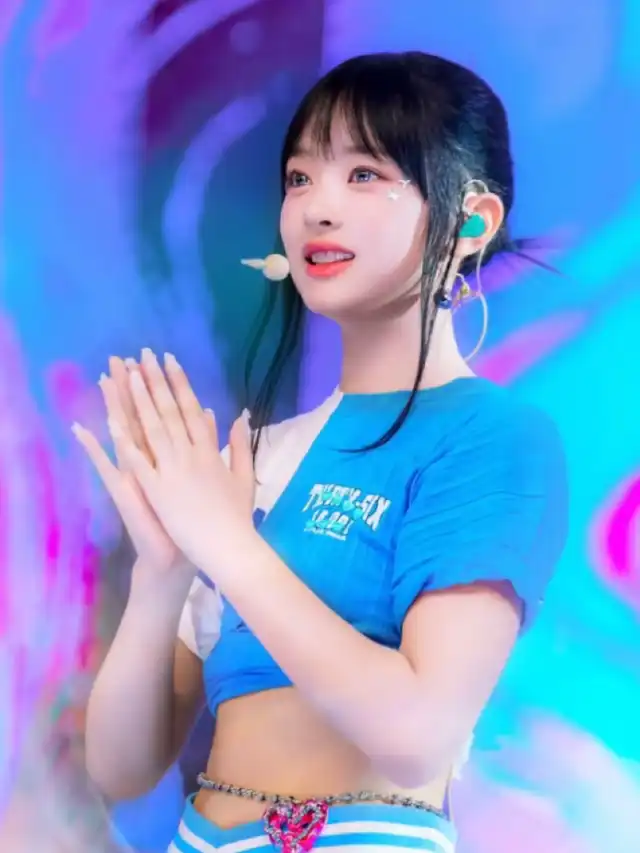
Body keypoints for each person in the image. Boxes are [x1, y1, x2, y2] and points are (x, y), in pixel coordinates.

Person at [74, 51, 569, 853]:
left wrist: (228, 545)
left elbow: (416, 732)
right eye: (300, 178)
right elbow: (121, 766)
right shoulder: (259, 457)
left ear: (471, 221)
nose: (316, 208)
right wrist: (163, 573)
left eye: (364, 174)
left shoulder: (495, 437)